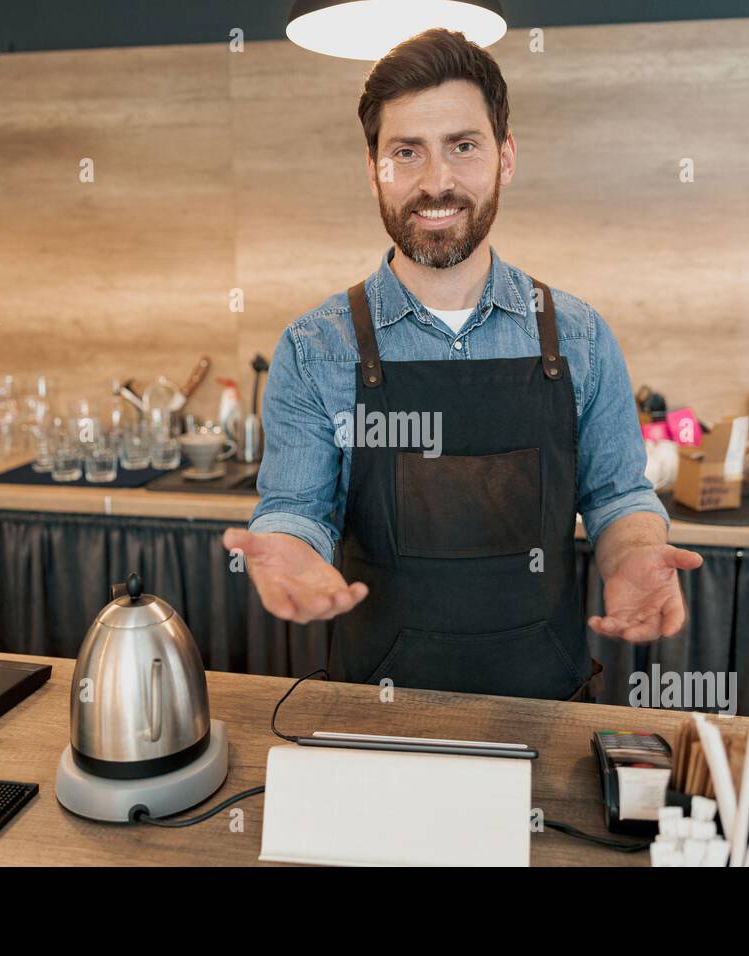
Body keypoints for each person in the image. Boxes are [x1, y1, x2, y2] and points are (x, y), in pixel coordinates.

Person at [223, 28, 702, 701]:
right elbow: (299, 508)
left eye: (463, 146)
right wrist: (289, 550)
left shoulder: (581, 337)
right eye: (406, 152)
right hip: (377, 713)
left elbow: (616, 495)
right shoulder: (315, 348)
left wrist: (635, 553)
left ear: (505, 157)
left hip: (545, 709)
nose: (437, 182)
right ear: (373, 168)